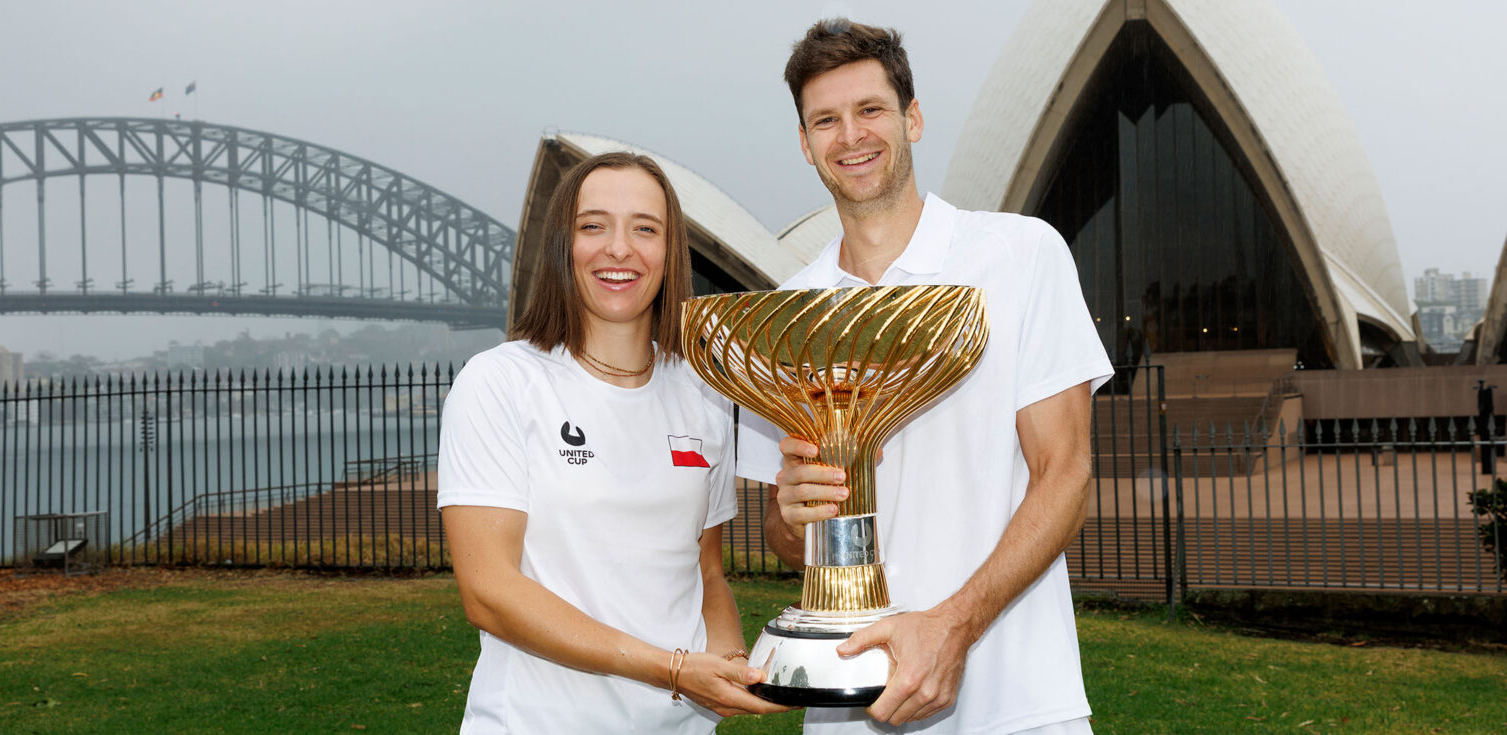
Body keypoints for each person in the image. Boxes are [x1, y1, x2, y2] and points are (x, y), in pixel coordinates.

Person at [737, 20, 1114, 735]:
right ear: (805, 142)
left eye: (871, 110)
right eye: (826, 119)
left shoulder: (1019, 255)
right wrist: (793, 513)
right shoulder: (786, 317)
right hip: (851, 708)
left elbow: (1065, 474)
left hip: (1018, 702)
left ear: (912, 117)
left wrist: (953, 626)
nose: (851, 135)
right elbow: (784, 542)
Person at [439, 151, 788, 733]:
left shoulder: (704, 391)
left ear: (670, 253)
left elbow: (706, 573)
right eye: (593, 226)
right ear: (562, 245)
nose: (619, 249)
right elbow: (489, 592)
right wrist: (671, 670)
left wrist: (727, 663)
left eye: (644, 229)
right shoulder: (501, 382)